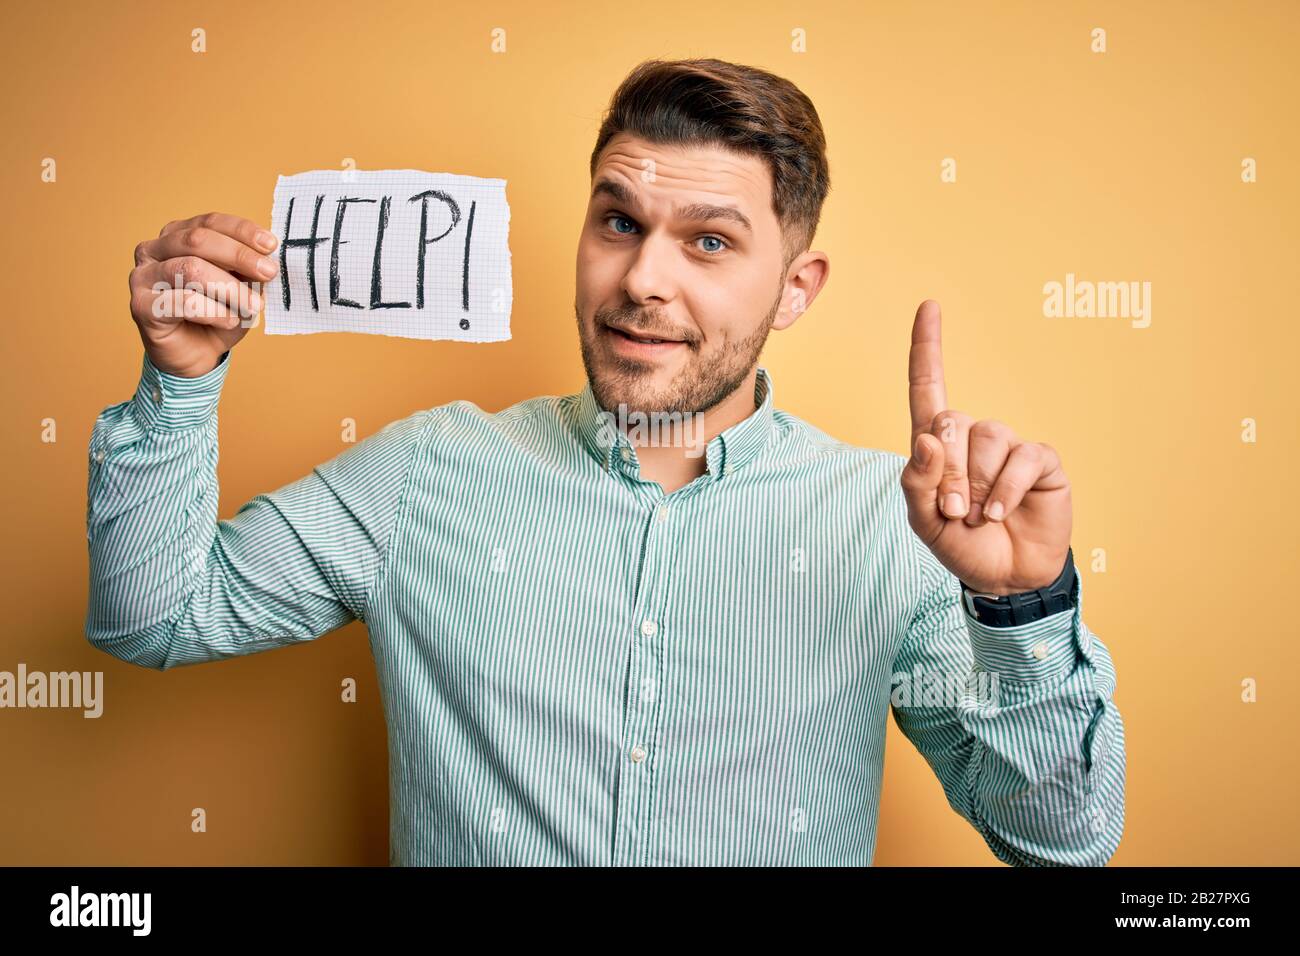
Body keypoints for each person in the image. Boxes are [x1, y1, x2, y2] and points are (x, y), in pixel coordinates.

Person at [85, 57, 1125, 866]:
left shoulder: (886, 526)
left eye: (709, 242)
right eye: (618, 222)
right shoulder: (425, 472)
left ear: (795, 288)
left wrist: (1023, 609)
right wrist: (179, 381)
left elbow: (1063, 842)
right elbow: (153, 617)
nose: (642, 281)